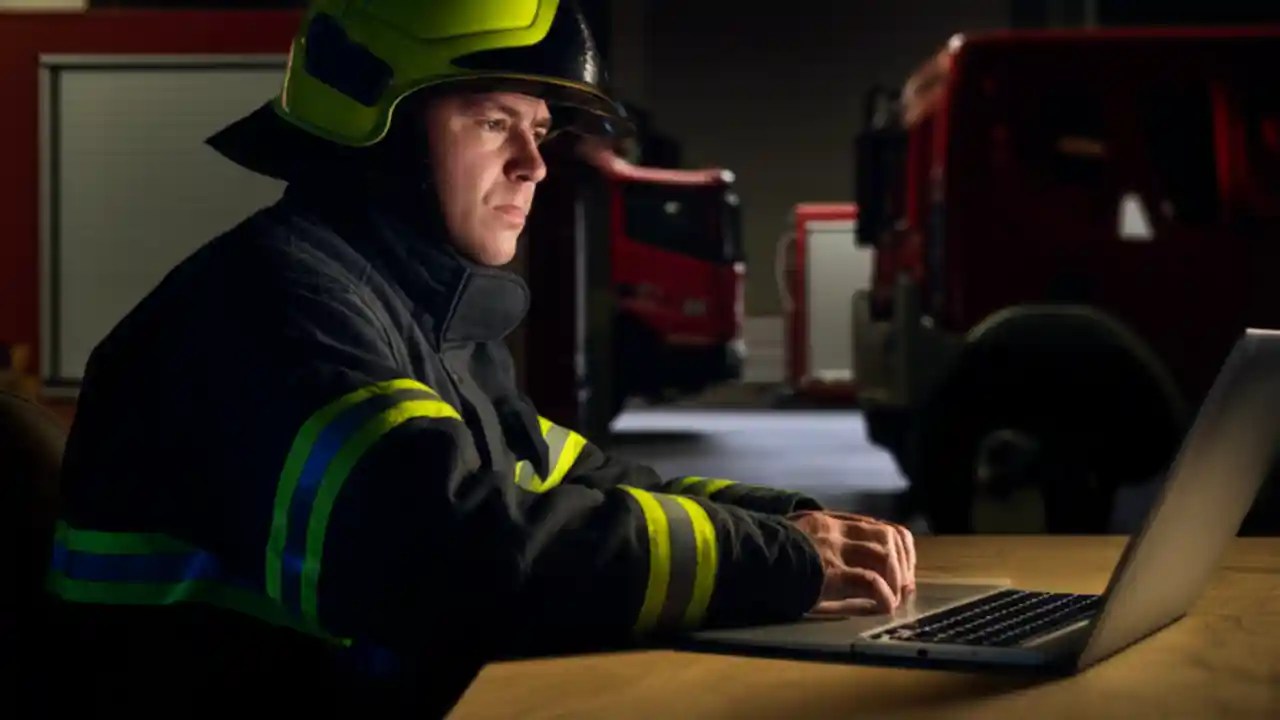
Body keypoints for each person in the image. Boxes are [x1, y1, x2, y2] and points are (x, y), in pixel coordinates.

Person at [40, 0, 916, 714]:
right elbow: (455, 552)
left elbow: (572, 477)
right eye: (495, 120)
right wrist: (772, 561)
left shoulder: (409, 307)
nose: (536, 162)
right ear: (374, 126)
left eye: (539, 128)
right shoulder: (275, 310)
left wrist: (791, 520)